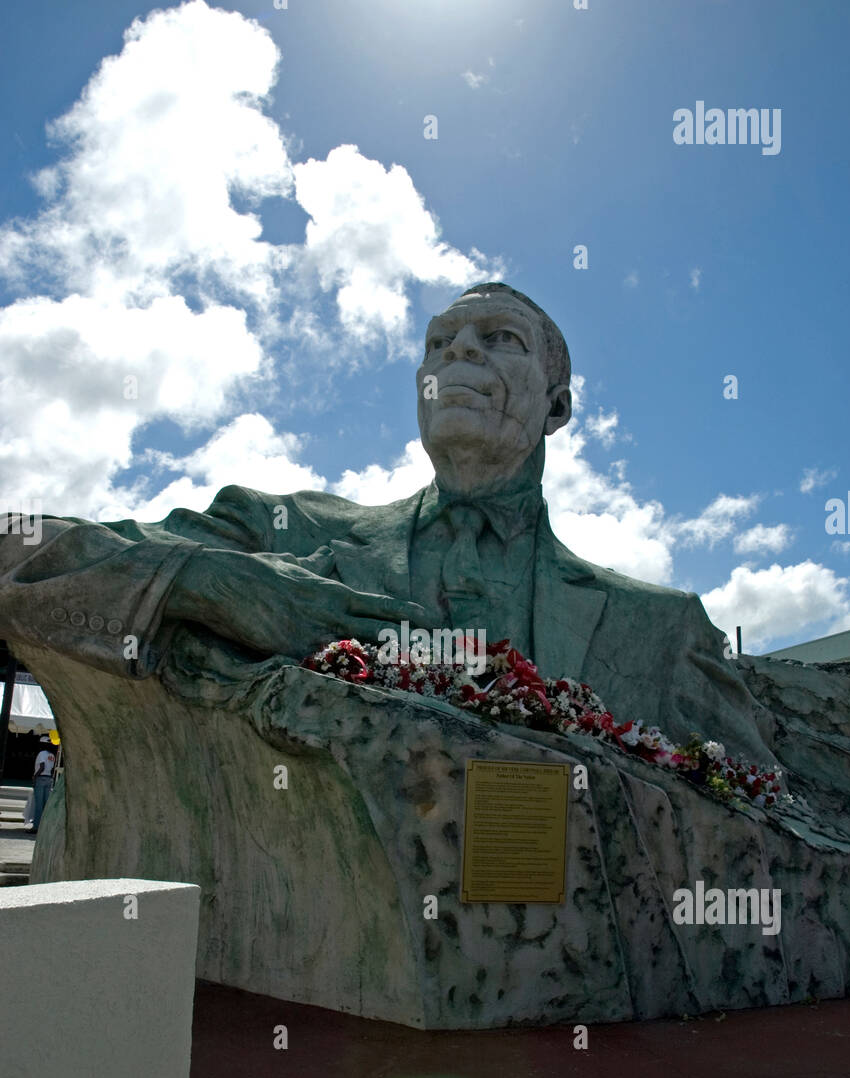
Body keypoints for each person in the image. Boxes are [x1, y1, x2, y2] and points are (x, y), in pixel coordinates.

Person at [0, 281, 776, 766]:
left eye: (498, 339)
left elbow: (764, 828)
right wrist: (211, 581)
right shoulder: (288, 531)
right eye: (440, 343)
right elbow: (17, 547)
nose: (459, 348)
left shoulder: (660, 629)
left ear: (557, 404)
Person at [29, 738, 56, 832]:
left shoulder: (42, 753)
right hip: (49, 778)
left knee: (39, 805)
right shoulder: (52, 755)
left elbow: (42, 766)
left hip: (41, 778)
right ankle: (44, 828)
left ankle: (36, 827)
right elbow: (52, 769)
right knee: (45, 805)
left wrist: (34, 777)